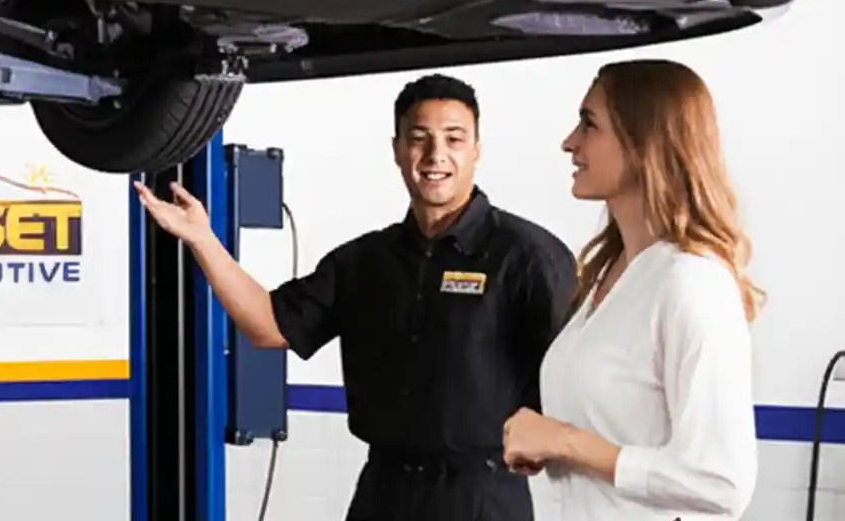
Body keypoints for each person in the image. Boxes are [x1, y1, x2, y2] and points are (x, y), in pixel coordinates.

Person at [134, 73, 577, 521]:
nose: (435, 154)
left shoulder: (527, 257)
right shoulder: (365, 261)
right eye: (418, 138)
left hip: (481, 498)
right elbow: (268, 325)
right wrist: (203, 240)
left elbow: (574, 379)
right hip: (382, 492)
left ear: (476, 150)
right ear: (397, 149)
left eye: (454, 139)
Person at [501, 59, 761, 520]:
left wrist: (563, 441)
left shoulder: (691, 280)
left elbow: (722, 481)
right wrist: (553, 450)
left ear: (645, 142)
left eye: (589, 124)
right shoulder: (612, 273)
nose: (570, 142)